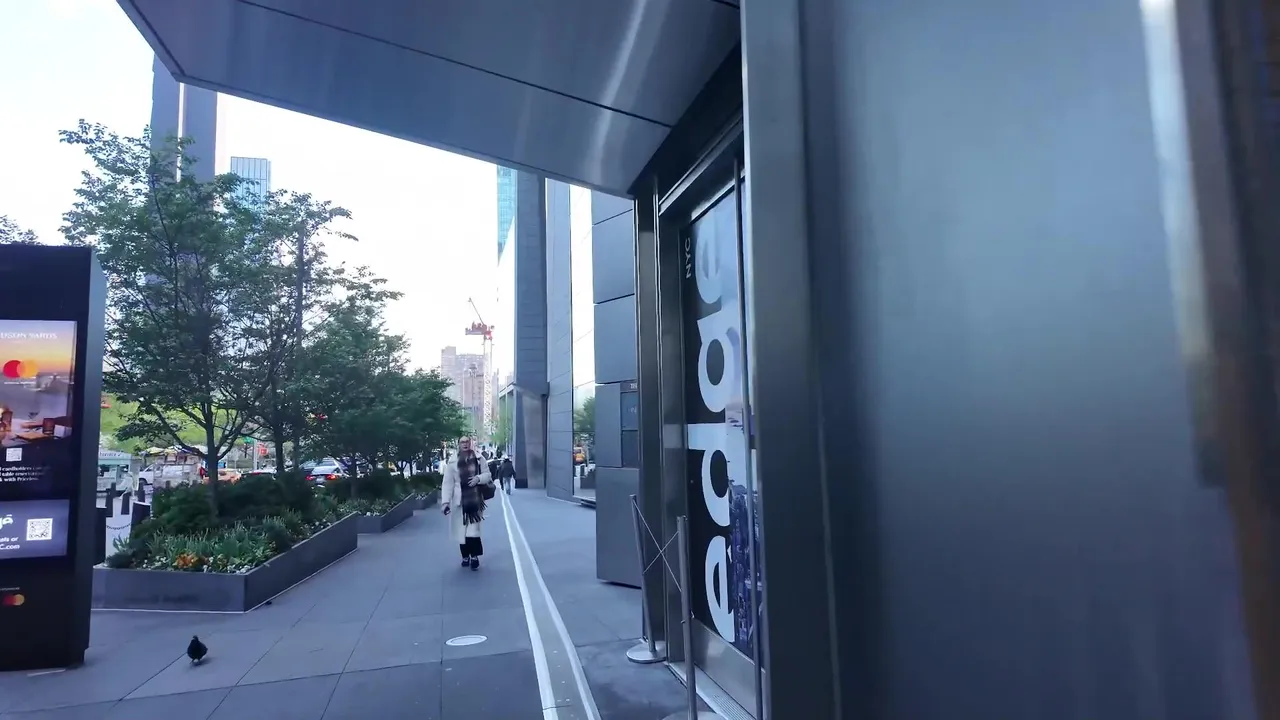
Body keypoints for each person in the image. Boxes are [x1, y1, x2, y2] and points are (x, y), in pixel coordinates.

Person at [441, 436, 494, 570]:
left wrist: (478, 478)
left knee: (472, 532)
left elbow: (488, 475)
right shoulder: (453, 461)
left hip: (475, 501)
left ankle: (474, 556)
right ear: (458, 444)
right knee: (461, 532)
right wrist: (445, 502)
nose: (465, 444)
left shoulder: (479, 458)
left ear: (470, 443)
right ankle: (465, 556)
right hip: (459, 502)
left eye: (467, 442)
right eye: (462, 442)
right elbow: (447, 483)